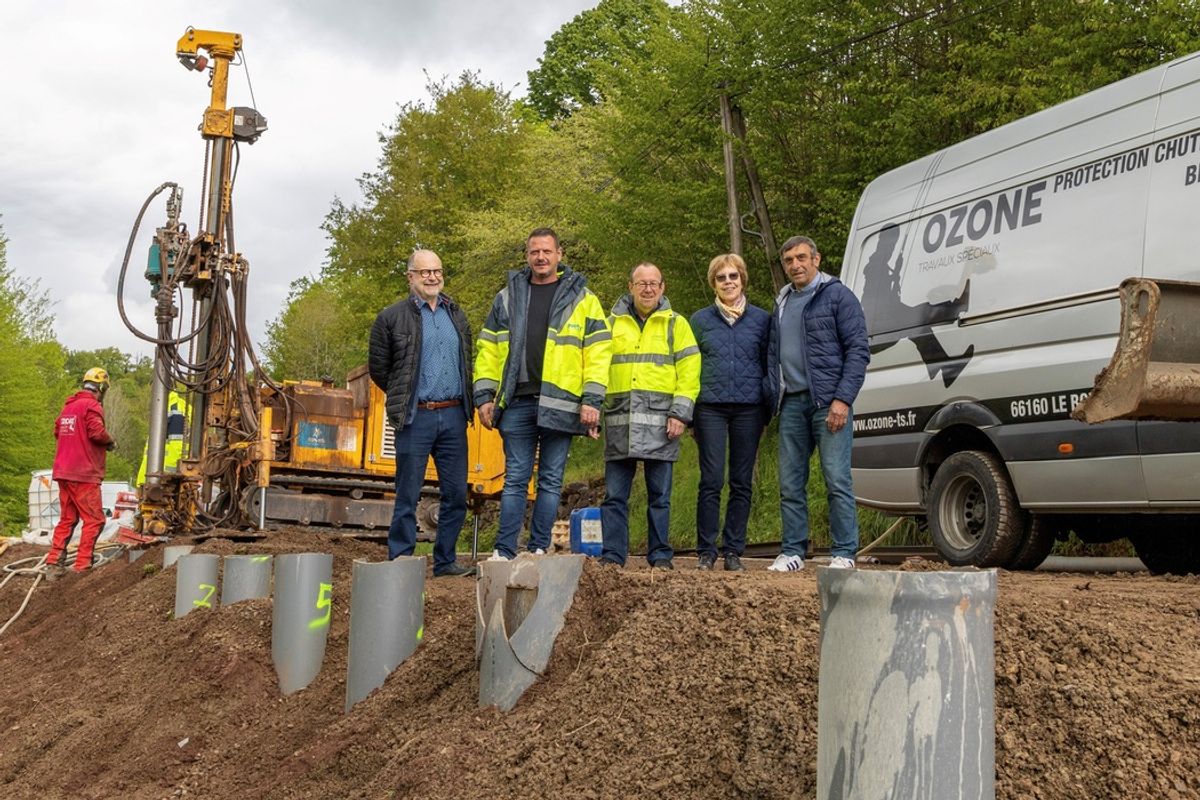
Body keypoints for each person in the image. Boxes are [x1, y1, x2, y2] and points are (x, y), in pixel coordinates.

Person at [475, 228, 611, 559]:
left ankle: (538, 547)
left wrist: (591, 401)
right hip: (517, 400)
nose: (541, 257)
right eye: (535, 251)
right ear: (527, 256)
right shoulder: (508, 296)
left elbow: (598, 352)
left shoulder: (583, 298)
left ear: (559, 254)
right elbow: (488, 349)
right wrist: (484, 396)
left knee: (551, 481)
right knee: (516, 480)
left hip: (562, 403)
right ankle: (504, 550)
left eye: (547, 251)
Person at [765, 235, 870, 571]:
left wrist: (843, 399)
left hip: (828, 402)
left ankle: (844, 553)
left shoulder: (838, 296)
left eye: (801, 258)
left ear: (816, 259)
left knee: (836, 478)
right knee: (790, 481)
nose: (795, 265)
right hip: (792, 403)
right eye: (789, 261)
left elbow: (858, 350)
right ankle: (793, 551)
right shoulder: (781, 303)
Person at [369, 249, 475, 577]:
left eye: (437, 271)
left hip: (455, 415)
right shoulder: (391, 317)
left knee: (457, 494)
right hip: (416, 417)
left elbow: (466, 361)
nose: (432, 277)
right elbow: (380, 369)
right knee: (408, 493)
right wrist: (408, 396)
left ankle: (445, 562)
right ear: (411, 277)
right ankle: (401, 562)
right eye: (424, 272)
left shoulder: (456, 314)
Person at [599, 262, 700, 570]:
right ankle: (613, 557)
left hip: (662, 424)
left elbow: (690, 371)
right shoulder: (610, 324)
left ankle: (660, 556)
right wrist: (589, 409)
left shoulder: (676, 325)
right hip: (619, 421)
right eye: (641, 283)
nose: (647, 288)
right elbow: (595, 368)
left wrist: (681, 414)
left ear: (662, 287)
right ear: (630, 287)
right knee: (615, 496)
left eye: (653, 283)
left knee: (660, 497)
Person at [689, 253, 771, 572]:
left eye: (733, 276)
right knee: (711, 479)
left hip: (749, 408)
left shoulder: (762, 320)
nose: (728, 282)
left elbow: (769, 364)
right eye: (721, 277)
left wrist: (767, 406)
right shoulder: (699, 320)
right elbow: (690, 366)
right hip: (709, 407)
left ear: (743, 279)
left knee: (741, 481)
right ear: (713, 282)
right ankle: (706, 551)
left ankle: (733, 550)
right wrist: (689, 412)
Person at [45, 368, 116, 579]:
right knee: (95, 520)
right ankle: (82, 566)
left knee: (67, 518)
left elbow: (57, 431)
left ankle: (53, 565)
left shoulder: (69, 406)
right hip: (83, 474)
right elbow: (96, 432)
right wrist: (110, 441)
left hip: (63, 472)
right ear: (101, 388)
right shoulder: (91, 405)